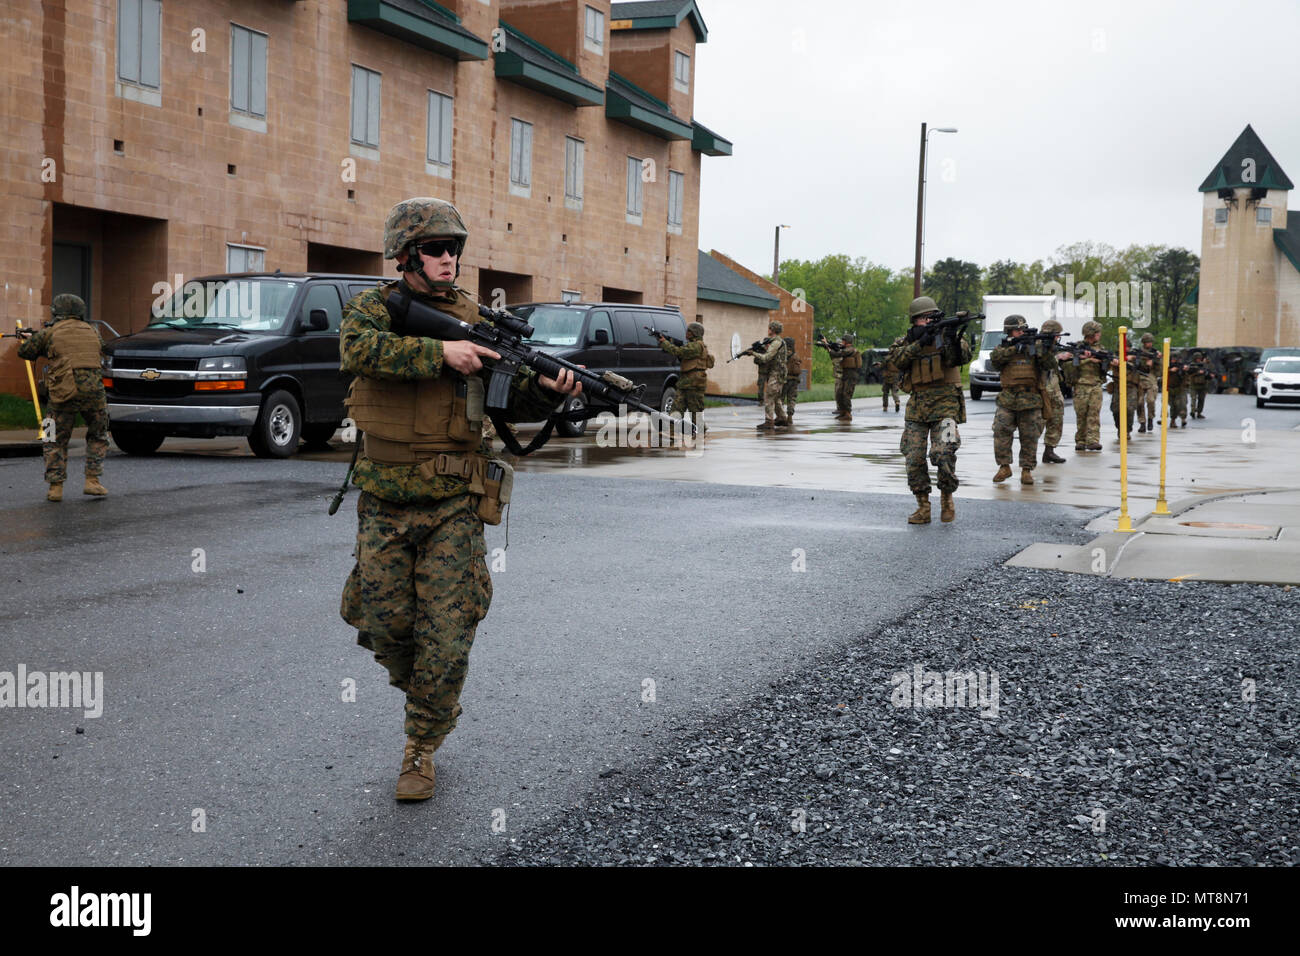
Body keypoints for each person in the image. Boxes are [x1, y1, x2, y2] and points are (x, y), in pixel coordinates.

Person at [338, 197, 582, 802]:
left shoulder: (478, 317)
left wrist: (549, 391)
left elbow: (510, 403)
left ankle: (421, 745)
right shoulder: (376, 306)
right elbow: (357, 350)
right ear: (405, 255)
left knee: (446, 637)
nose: (448, 258)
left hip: (453, 502)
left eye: (455, 249)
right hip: (385, 499)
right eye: (435, 248)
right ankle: (425, 692)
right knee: (389, 624)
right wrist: (438, 352)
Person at [16, 294, 109, 501]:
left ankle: (55, 487)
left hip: (62, 393)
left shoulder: (50, 332)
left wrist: (30, 338)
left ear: (56, 312)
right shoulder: (92, 331)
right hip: (94, 393)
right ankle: (93, 481)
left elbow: (25, 352)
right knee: (98, 434)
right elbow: (102, 350)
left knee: (52, 437)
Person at [888, 295, 970, 524]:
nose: (928, 321)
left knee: (943, 453)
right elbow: (896, 361)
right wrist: (920, 342)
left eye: (931, 317)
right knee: (913, 457)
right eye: (924, 318)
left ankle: (947, 498)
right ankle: (923, 506)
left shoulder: (947, 336)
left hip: (946, 406)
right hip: (917, 408)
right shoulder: (906, 341)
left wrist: (951, 338)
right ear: (915, 321)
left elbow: (961, 357)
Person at [989, 314, 1056, 485]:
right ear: (1009, 331)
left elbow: (1049, 365)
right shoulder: (1003, 348)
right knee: (1001, 432)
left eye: (1022, 329)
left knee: (1029, 436)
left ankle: (1027, 470)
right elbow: (995, 360)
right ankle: (1004, 467)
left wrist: (1046, 349)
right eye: (1017, 330)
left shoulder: (1035, 347)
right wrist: (1015, 349)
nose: (1020, 332)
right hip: (1008, 398)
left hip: (1031, 398)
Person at [654, 321, 712, 433]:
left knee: (695, 412)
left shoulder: (697, 346)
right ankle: (671, 433)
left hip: (694, 384)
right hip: (685, 383)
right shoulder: (692, 345)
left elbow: (679, 352)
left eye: (689, 331)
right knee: (675, 410)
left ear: (695, 333)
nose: (687, 333)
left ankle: (702, 435)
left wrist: (664, 343)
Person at [1061, 320, 1105, 452]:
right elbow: (1066, 365)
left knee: (1094, 414)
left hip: (1095, 385)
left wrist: (1105, 361)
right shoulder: (1076, 349)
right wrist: (1087, 359)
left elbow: (1104, 367)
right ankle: (1080, 440)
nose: (1099, 335)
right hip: (1080, 386)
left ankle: (1093, 440)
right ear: (1092, 334)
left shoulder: (1100, 349)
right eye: (1097, 332)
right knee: (1081, 414)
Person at [1039, 318, 1069, 464]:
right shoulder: (1036, 346)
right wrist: (1057, 357)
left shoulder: (1054, 347)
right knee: (1036, 425)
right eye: (1057, 335)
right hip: (1041, 390)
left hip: (1054, 391)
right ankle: (1028, 456)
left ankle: (1049, 451)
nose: (1058, 338)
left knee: (1056, 421)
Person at [753, 320, 787, 431]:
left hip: (776, 373)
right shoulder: (775, 342)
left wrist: (753, 353)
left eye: (769, 328)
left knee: (769, 396)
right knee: (776, 397)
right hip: (778, 372)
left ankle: (769, 421)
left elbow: (766, 358)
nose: (768, 330)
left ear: (772, 330)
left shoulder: (776, 342)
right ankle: (782, 418)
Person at [817, 332, 860, 420]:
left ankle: (848, 413)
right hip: (845, 374)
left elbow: (837, 354)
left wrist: (828, 346)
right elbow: (838, 350)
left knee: (846, 394)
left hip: (851, 375)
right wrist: (828, 345)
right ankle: (843, 412)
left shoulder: (850, 350)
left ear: (847, 341)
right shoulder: (846, 349)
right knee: (839, 394)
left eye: (843, 340)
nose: (842, 342)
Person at [1107, 348, 1141, 439]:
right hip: (1118, 386)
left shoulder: (1136, 357)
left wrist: (1131, 359)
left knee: (1129, 409)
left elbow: (1144, 367)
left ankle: (1127, 430)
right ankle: (1120, 428)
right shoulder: (1115, 357)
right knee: (1116, 410)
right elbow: (1107, 363)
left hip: (1131, 387)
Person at [1134, 332, 1160, 433]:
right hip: (1140, 377)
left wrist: (1156, 360)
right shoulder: (1138, 352)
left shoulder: (1155, 352)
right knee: (1139, 402)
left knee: (1151, 400)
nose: (1149, 344)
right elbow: (1135, 364)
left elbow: (1160, 368)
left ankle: (1150, 419)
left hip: (1151, 377)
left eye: (1150, 342)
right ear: (1144, 342)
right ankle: (1142, 423)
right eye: (1147, 342)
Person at [779, 336, 800, 426]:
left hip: (785, 379)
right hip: (794, 380)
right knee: (792, 399)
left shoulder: (783, 354)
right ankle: (790, 416)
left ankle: (781, 416)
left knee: (781, 398)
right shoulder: (796, 355)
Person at [1166, 351, 1189, 427]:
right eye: (1173, 358)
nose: (1174, 360)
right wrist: (1169, 370)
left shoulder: (1181, 366)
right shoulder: (1167, 366)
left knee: (1182, 404)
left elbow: (1187, 375)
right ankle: (1173, 421)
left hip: (1180, 388)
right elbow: (1161, 374)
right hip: (1170, 388)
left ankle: (1183, 419)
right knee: (1173, 406)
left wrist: (1184, 370)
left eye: (1176, 358)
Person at [1188, 351, 1211, 419]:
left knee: (1201, 399)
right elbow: (1189, 374)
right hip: (1193, 385)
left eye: (1199, 358)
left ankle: (1199, 412)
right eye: (1197, 358)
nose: (1198, 359)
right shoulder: (1192, 365)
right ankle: (1192, 411)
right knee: (1193, 398)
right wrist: (1197, 372)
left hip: (1203, 385)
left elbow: (1209, 370)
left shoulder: (1204, 364)